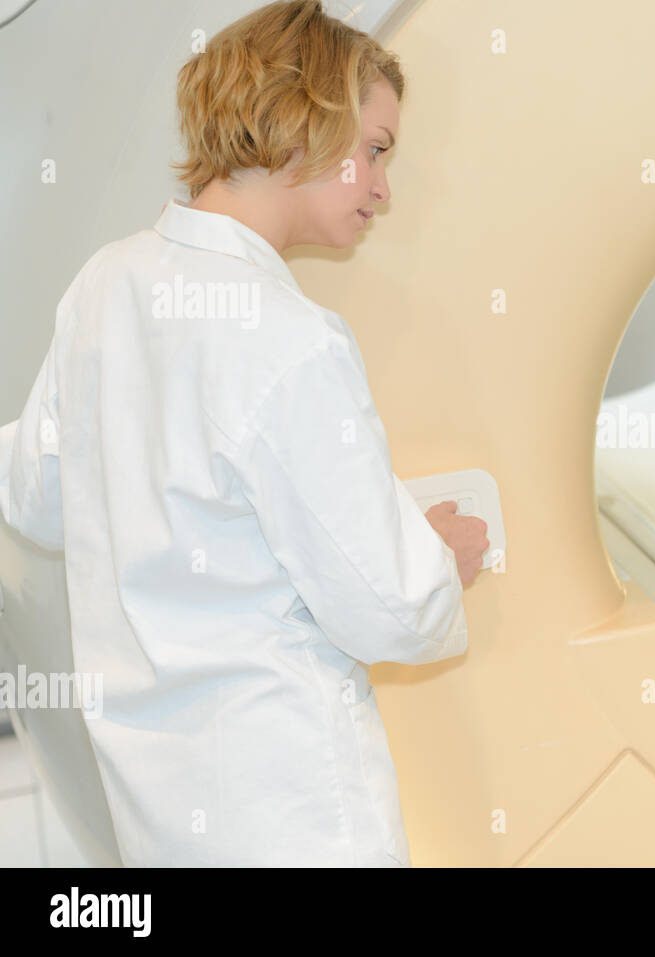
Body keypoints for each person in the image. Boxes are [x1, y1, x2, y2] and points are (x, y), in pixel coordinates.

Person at [0, 0, 487, 866]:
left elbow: (36, 499)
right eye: (374, 151)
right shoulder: (289, 340)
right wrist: (439, 557)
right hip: (292, 815)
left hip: (155, 815)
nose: (383, 189)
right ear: (305, 122)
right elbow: (389, 609)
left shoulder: (105, 285)